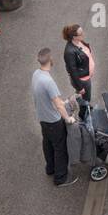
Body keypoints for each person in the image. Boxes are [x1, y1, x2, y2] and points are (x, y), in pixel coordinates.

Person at [32, 47, 78, 187]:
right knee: (60, 148)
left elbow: (45, 98)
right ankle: (60, 178)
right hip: (53, 121)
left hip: (42, 118)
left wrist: (62, 103)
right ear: (50, 60)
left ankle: (50, 168)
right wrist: (68, 118)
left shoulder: (36, 74)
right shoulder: (48, 81)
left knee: (47, 143)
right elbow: (58, 105)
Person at [62, 23, 95, 103]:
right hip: (82, 80)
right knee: (86, 100)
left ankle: (75, 100)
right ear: (74, 37)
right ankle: (84, 113)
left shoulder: (80, 41)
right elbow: (72, 71)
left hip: (85, 76)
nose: (83, 34)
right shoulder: (69, 52)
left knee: (82, 97)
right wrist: (80, 87)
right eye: (81, 34)